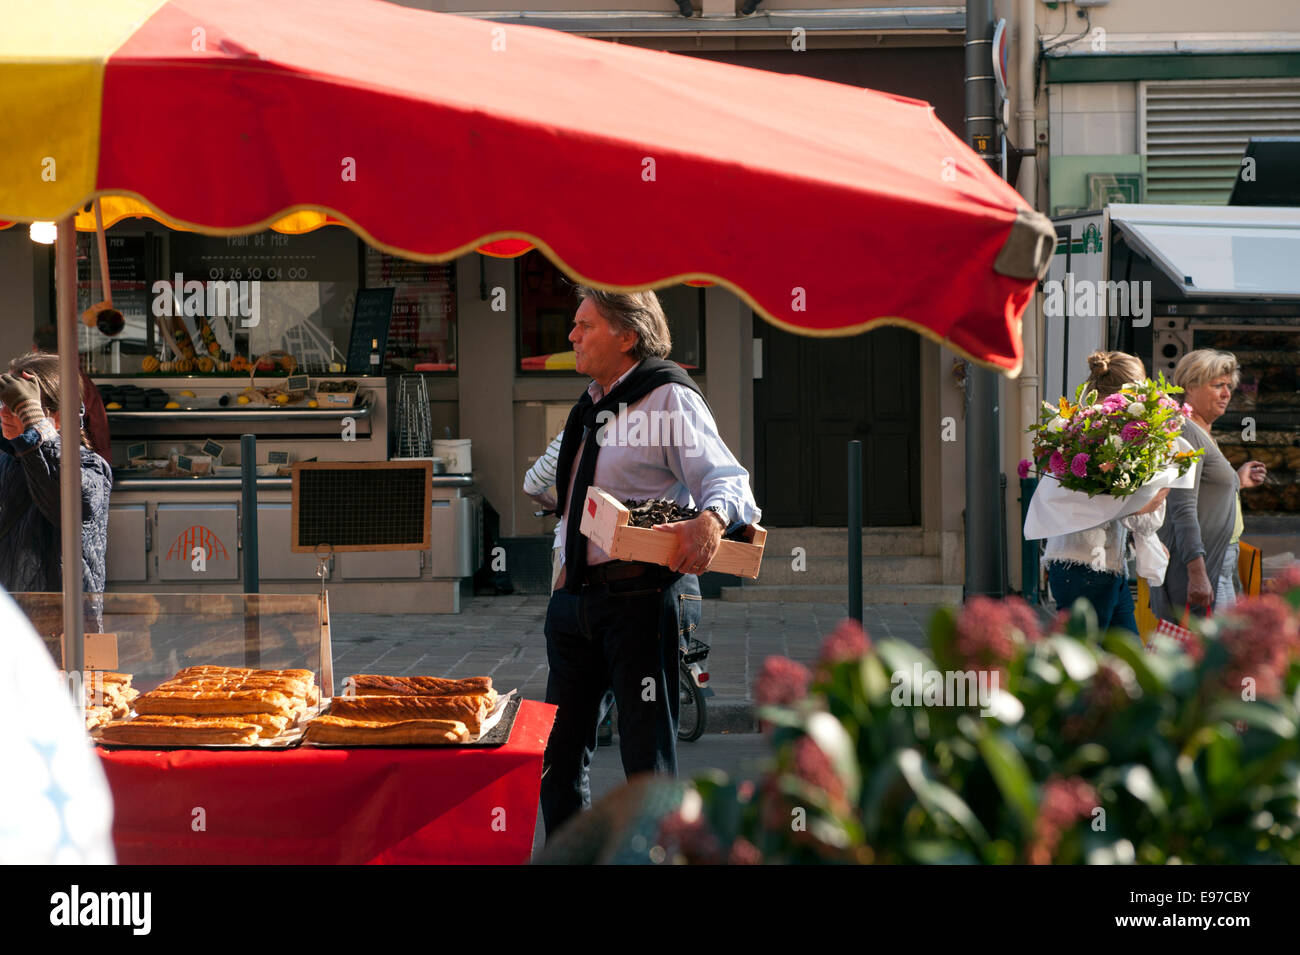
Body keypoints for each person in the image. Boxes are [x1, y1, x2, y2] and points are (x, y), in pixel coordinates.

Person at [541, 287, 760, 838]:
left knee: (647, 765)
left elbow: (729, 481)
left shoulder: (668, 398)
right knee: (555, 761)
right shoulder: (592, 403)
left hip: (637, 601)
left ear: (627, 335)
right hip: (573, 601)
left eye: (585, 326)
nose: (572, 336)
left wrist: (710, 521)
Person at [1041, 352, 1169, 634]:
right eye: (1143, 387)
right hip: (1086, 569)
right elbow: (1108, 506)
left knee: (1121, 666)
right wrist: (1151, 500)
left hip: (1102, 567)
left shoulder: (1080, 427)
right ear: (1132, 389)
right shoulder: (1097, 433)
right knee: (1088, 666)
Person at [1151, 349, 1266, 622]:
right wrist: (1197, 573)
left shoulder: (1201, 432)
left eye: (1229, 386)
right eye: (1218, 386)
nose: (1227, 394)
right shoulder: (1186, 433)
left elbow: (1203, 491)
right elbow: (1183, 508)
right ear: (1190, 386)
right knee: (1216, 655)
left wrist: (1236, 482)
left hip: (1222, 559)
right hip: (1205, 565)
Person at [0, 353, 113, 598]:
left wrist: (33, 422)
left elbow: (65, 499)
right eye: (4, 403)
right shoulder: (7, 459)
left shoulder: (92, 468)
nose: (6, 414)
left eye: (18, 406)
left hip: (63, 622)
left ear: (60, 417)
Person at [33, 325, 112, 465]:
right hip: (75, 464)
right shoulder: (79, 381)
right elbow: (98, 430)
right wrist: (103, 469)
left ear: (34, 349)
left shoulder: (25, 381)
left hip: (31, 464)